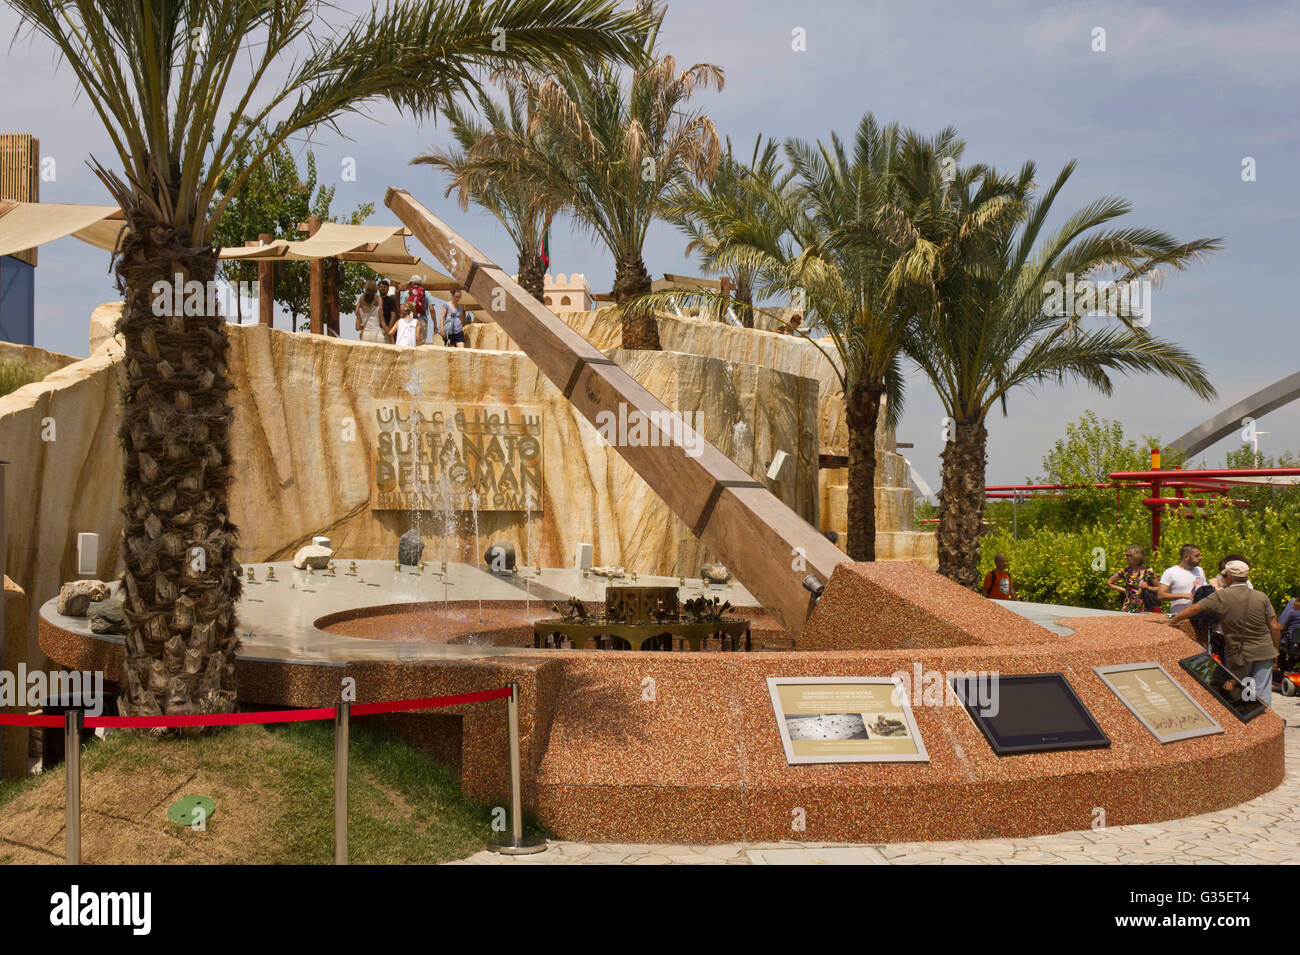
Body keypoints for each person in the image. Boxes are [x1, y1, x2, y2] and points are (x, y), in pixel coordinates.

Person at [1169, 559, 1279, 706]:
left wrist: (1173, 620)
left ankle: (1251, 723)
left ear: (1230, 578)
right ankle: (1269, 724)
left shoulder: (1221, 596)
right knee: (1262, 690)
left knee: (1244, 691)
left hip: (1239, 652)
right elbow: (1275, 626)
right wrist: (1275, 649)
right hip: (1264, 650)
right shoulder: (1261, 596)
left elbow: (1194, 609)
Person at [1107, 545, 1159, 613]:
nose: (1125, 557)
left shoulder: (1149, 571)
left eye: (1128, 555)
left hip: (1144, 608)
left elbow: (1159, 589)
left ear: (1136, 556)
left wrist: (1148, 587)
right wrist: (1123, 590)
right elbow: (1109, 583)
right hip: (1128, 607)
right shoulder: (1125, 571)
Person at [1157, 544, 1206, 616]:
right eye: (1197, 556)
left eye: (1200, 555)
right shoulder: (1170, 572)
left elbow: (1205, 590)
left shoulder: (1200, 570)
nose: (1200, 558)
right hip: (1178, 617)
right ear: (1186, 557)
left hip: (1198, 617)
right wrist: (1184, 595)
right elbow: (1161, 595)